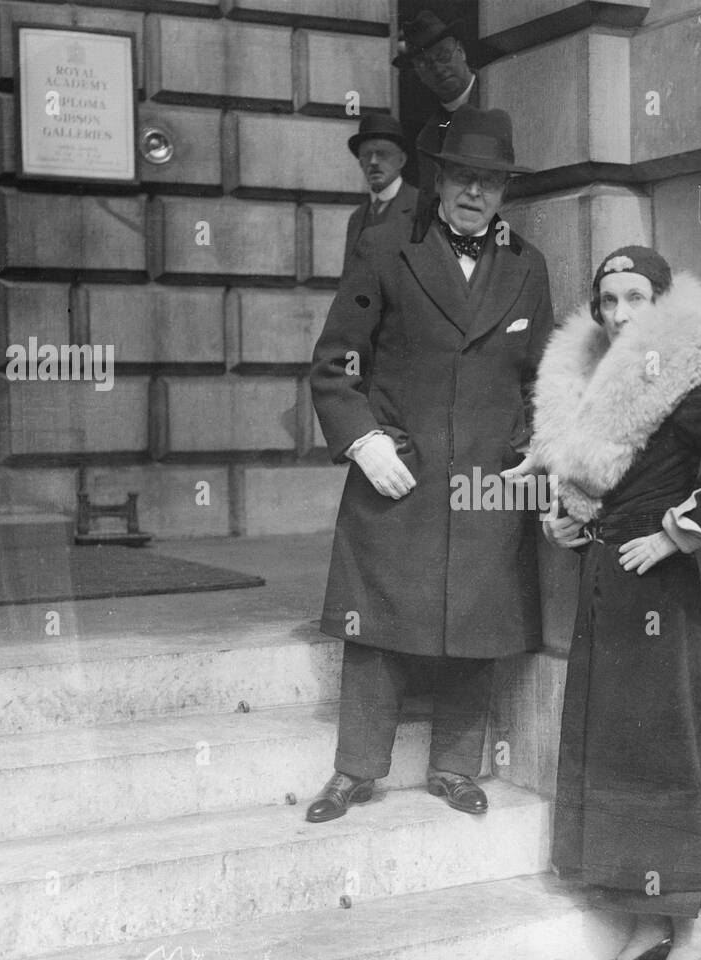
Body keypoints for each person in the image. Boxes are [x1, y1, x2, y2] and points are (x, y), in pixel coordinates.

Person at [529, 246, 701, 960]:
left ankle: (695, 928)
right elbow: (589, 483)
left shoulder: (681, 382)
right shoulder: (598, 387)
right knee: (612, 749)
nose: (619, 314)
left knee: (656, 750)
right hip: (605, 589)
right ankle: (643, 920)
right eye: (607, 301)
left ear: (662, 304)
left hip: (657, 599)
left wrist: (675, 531)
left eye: (635, 298)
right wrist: (564, 522)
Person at [305, 106, 555, 824]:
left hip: (486, 478)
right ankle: (354, 771)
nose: (475, 194)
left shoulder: (527, 267)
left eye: (490, 182)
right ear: (439, 181)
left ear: (504, 193)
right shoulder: (386, 249)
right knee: (374, 624)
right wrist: (362, 440)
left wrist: (540, 443)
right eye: (463, 178)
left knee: (478, 624)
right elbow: (334, 364)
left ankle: (454, 765)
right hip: (400, 470)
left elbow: (541, 376)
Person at [391, 10, 479, 220]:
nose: (438, 68)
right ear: (418, 74)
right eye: (424, 64)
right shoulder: (427, 138)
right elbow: (429, 205)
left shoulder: (503, 91)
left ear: (461, 51)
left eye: (443, 56)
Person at [342, 114, 418, 275]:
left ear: (401, 160)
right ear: (361, 164)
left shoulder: (422, 208)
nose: (373, 162)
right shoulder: (357, 218)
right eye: (367, 155)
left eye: (382, 154)